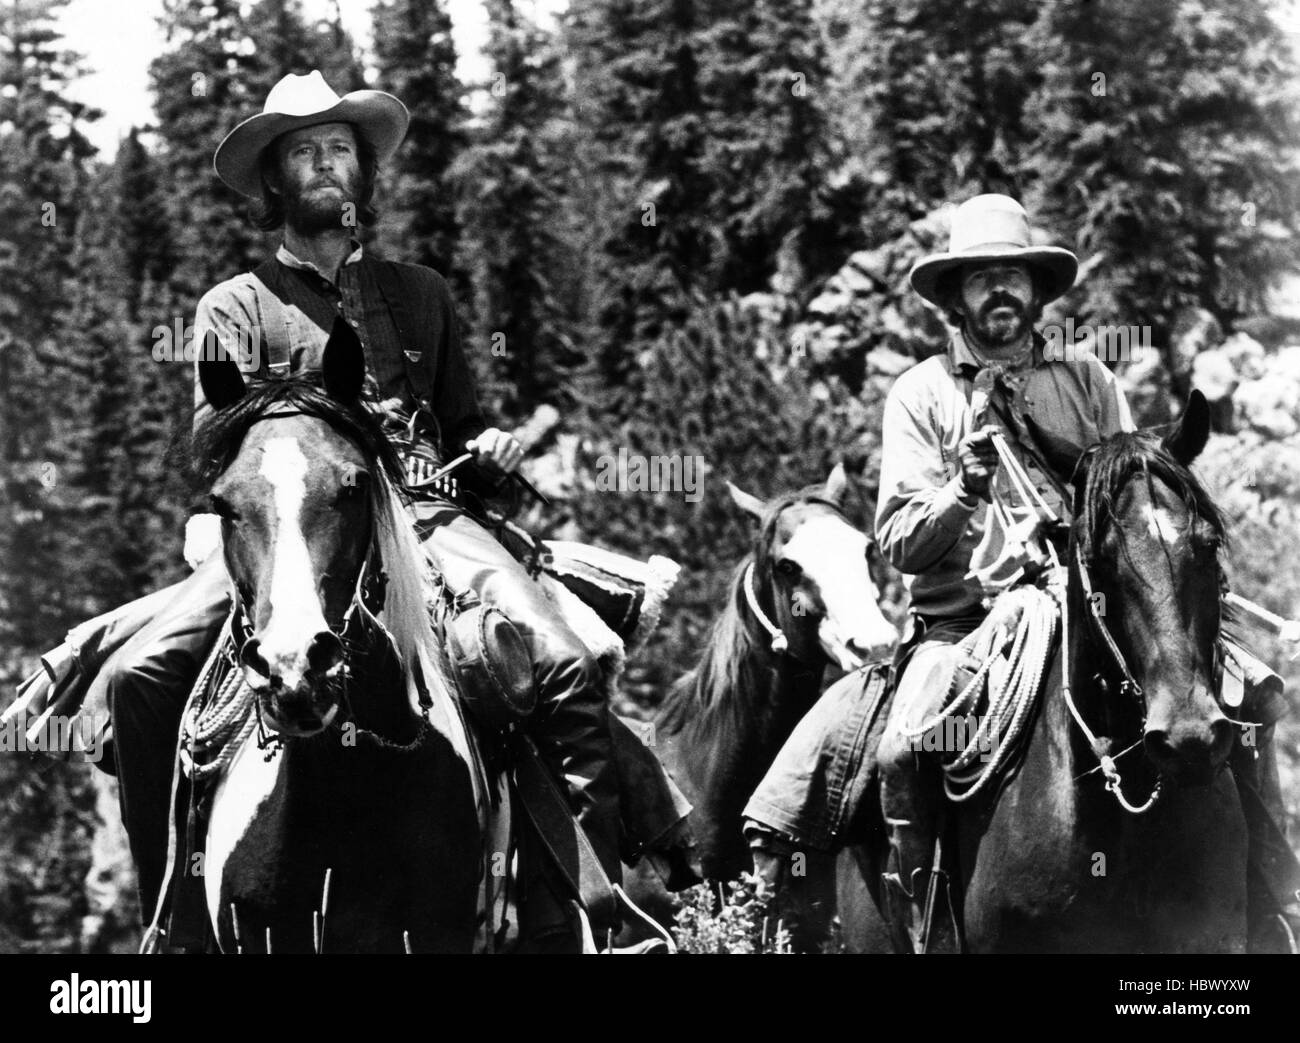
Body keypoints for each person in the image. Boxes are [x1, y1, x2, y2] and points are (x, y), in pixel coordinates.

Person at [97, 71, 623, 947]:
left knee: (562, 665)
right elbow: (214, 452)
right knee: (139, 680)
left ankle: (579, 921)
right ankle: (176, 921)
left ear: (364, 171)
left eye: (339, 146)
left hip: (430, 522)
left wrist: (489, 446)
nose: (324, 163)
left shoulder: (422, 293)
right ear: (274, 180)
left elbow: (461, 422)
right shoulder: (234, 306)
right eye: (302, 151)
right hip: (286, 531)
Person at [741, 193, 1299, 951]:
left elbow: (1131, 501)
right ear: (956, 294)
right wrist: (961, 490)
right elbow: (900, 542)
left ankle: (1268, 905)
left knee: (1248, 694)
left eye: (1013, 275)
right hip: (963, 624)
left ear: (1036, 289)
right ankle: (929, 926)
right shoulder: (922, 394)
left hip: (1090, 603)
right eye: (980, 277)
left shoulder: (1087, 379)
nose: (999, 290)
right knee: (908, 745)